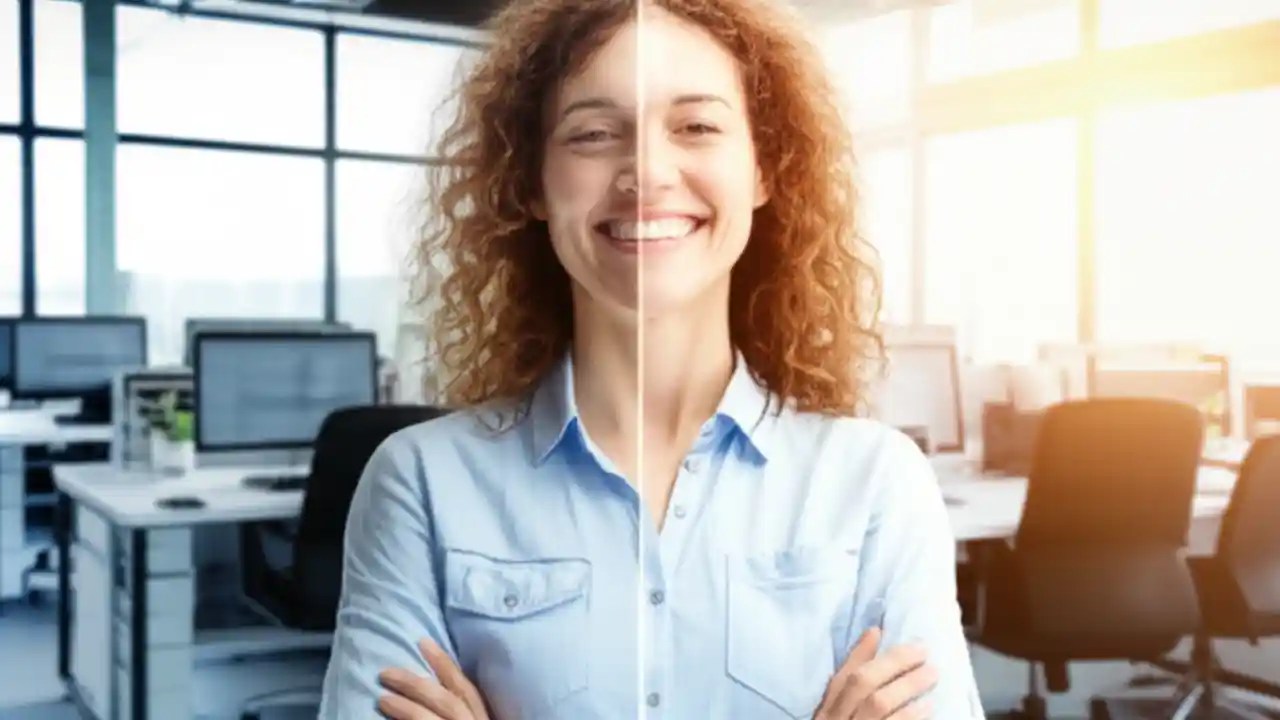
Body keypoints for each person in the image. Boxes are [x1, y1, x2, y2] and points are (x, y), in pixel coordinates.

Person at [319, 0, 984, 718]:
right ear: (533, 184)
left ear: (765, 169)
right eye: (594, 133)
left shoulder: (877, 485)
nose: (647, 171)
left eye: (696, 126)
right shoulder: (422, 484)